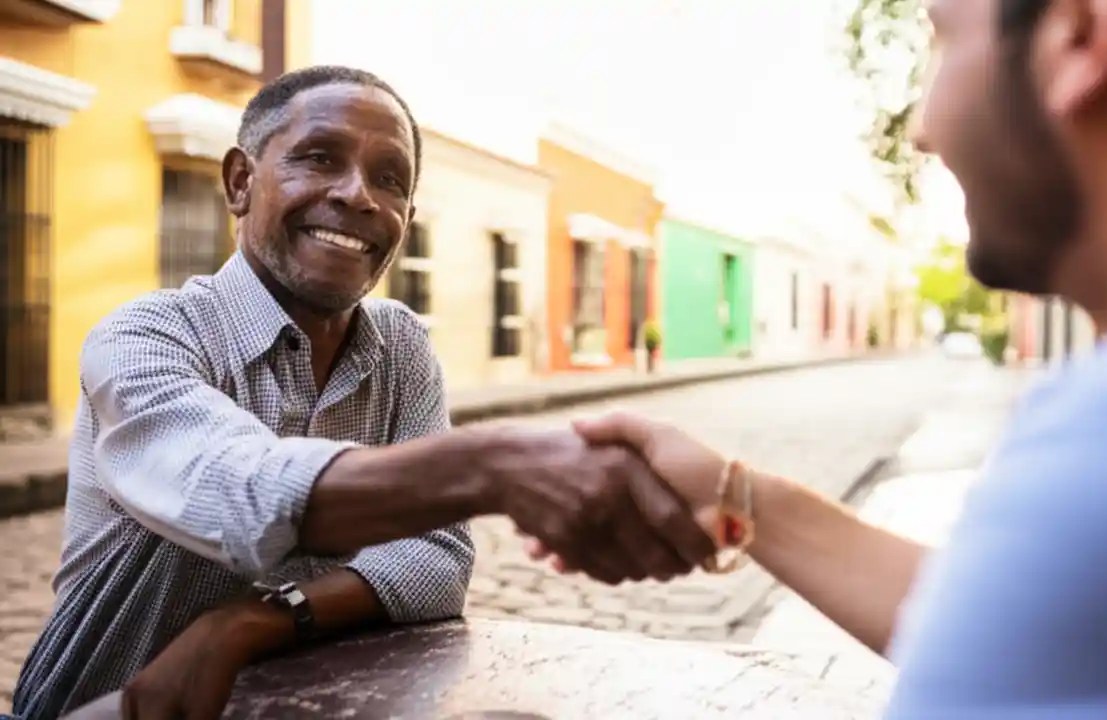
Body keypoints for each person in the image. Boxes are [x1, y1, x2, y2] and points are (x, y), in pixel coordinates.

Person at [533, 0, 1107, 716]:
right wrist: (730, 495)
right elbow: (1014, 612)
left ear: (1082, 31)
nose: (922, 129)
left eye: (943, 37)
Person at [10, 66, 713, 720]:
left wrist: (253, 622)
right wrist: (496, 467)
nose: (358, 195)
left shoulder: (399, 345)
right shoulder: (145, 338)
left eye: (390, 178)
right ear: (239, 182)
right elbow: (239, 493)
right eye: (319, 158)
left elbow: (435, 560)